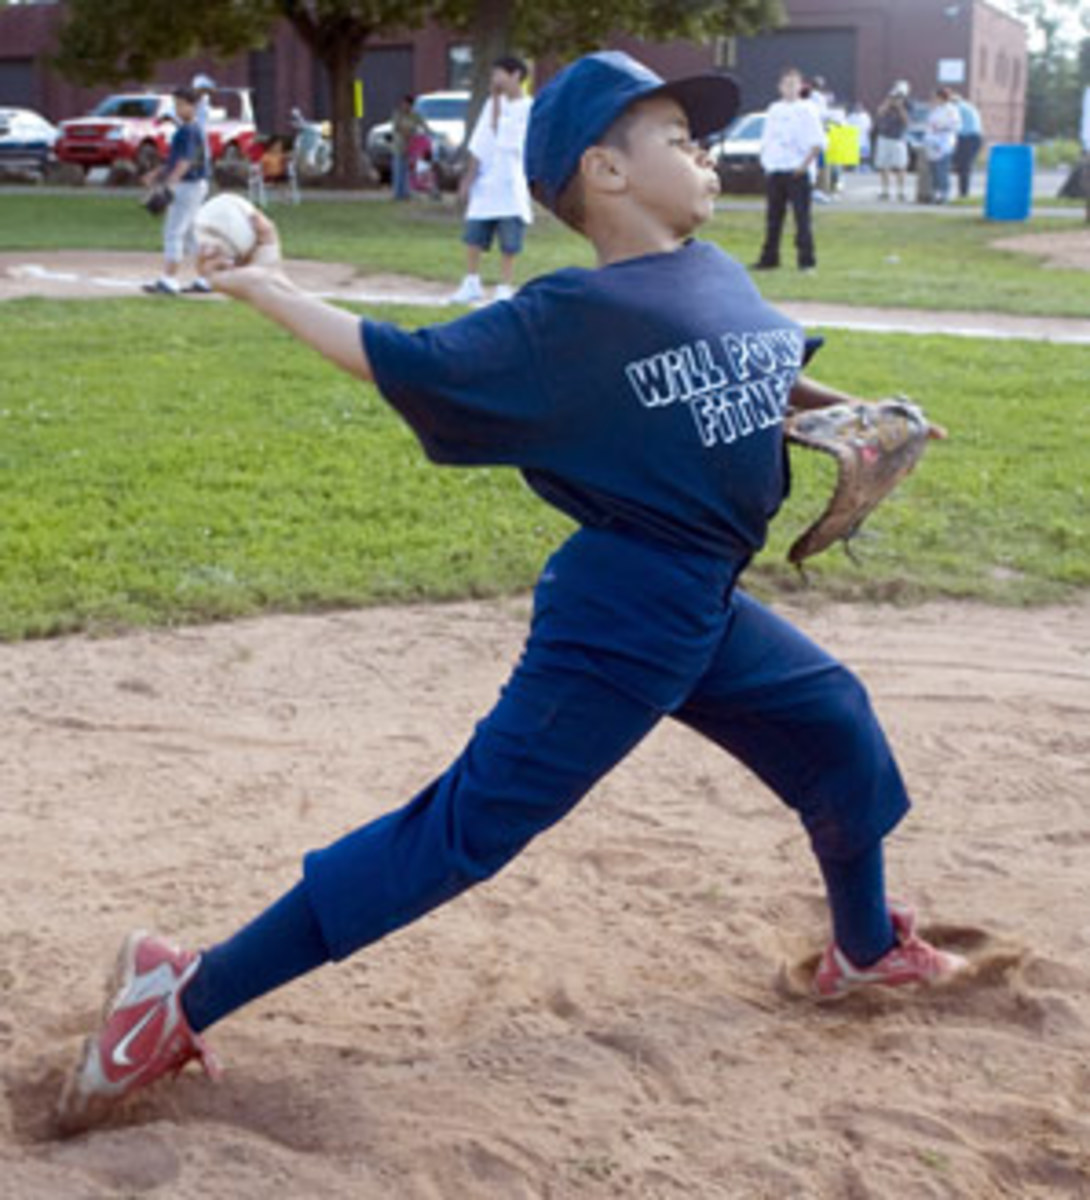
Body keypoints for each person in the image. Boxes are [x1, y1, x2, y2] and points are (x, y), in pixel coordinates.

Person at [57, 49, 966, 1132]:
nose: (704, 155)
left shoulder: (710, 270)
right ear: (606, 173)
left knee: (833, 721)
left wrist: (862, 410)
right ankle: (180, 996)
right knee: (466, 829)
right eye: (679, 139)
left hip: (699, 597)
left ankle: (861, 950)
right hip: (626, 609)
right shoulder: (566, 319)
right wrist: (269, 286)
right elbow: (403, 358)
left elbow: (756, 366)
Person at [450, 55, 533, 305]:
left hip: (511, 182)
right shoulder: (490, 104)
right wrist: (469, 178)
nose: (495, 79)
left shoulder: (528, 107)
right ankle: (471, 281)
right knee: (474, 234)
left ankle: (504, 285)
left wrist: (496, 100)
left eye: (499, 74)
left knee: (509, 240)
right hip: (487, 181)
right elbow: (482, 140)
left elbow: (505, 135)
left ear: (515, 75)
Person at [753, 66, 826, 272]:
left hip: (797, 170)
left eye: (794, 84)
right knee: (773, 218)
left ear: (800, 87)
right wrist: (767, 163)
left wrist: (803, 166)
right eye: (786, 84)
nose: (790, 88)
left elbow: (817, 143)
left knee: (802, 219)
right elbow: (768, 138)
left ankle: (806, 260)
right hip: (776, 169)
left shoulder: (807, 109)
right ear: (780, 87)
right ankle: (769, 258)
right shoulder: (774, 109)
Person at [142, 85, 211, 296]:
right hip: (194, 184)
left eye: (182, 104)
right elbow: (176, 160)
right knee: (191, 234)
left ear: (194, 106)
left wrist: (171, 184)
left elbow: (186, 162)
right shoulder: (190, 129)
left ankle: (169, 280)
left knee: (173, 232)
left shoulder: (188, 130)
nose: (178, 109)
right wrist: (156, 173)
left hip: (188, 185)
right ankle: (206, 278)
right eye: (176, 104)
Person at [389, 94, 430, 201]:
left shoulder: (415, 116)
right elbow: (397, 127)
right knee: (398, 169)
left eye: (408, 105)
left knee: (408, 171)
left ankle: (406, 192)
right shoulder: (398, 114)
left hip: (412, 147)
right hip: (399, 146)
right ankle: (398, 193)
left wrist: (426, 134)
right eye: (404, 104)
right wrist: (407, 133)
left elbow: (423, 125)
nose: (405, 106)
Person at [924, 87, 960, 205]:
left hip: (945, 142)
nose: (934, 99)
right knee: (933, 169)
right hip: (933, 141)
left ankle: (944, 194)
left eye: (936, 97)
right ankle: (936, 194)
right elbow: (930, 124)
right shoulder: (936, 109)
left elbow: (955, 125)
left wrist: (941, 127)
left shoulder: (951, 110)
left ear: (941, 97)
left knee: (942, 169)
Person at [873, 85, 910, 201]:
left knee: (901, 166)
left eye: (897, 97)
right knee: (884, 166)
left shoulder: (906, 107)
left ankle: (901, 191)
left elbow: (906, 122)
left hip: (898, 139)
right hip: (884, 138)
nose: (895, 100)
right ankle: (885, 191)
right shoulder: (886, 107)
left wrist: (900, 107)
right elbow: (879, 114)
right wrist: (887, 103)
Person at [952, 91, 982, 199]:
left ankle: (963, 193)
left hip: (967, 137)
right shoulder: (969, 107)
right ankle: (963, 192)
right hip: (975, 137)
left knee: (963, 166)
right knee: (965, 166)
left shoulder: (957, 108)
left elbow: (955, 125)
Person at [845, 101, 873, 172]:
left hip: (864, 138)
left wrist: (868, 132)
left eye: (860, 107)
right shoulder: (851, 116)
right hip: (853, 139)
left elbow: (870, 127)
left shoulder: (866, 116)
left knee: (864, 154)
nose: (858, 108)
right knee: (854, 154)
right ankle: (855, 167)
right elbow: (846, 126)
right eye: (857, 107)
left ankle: (864, 166)